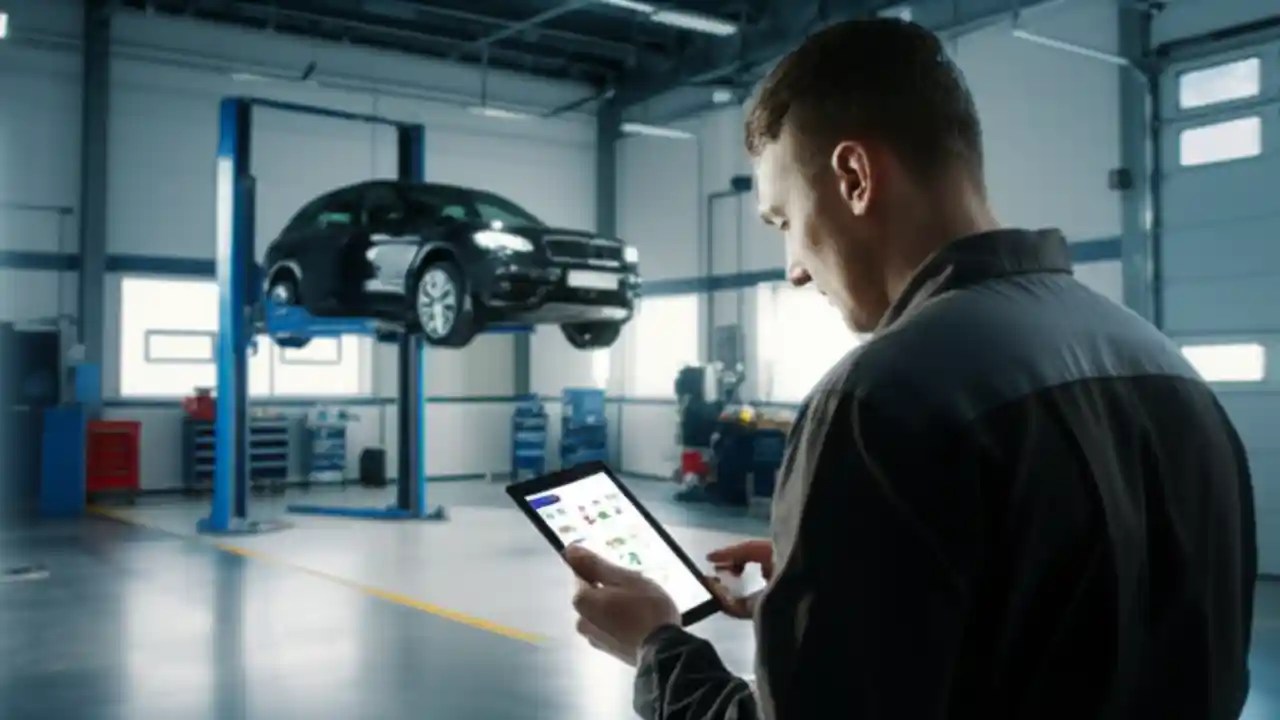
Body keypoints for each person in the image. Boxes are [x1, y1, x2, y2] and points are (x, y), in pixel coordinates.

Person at [564, 17, 1257, 720]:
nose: (794, 269)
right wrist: (855, 570)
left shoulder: (881, 397)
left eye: (784, 222)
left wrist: (657, 647)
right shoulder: (1164, 366)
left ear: (855, 177)